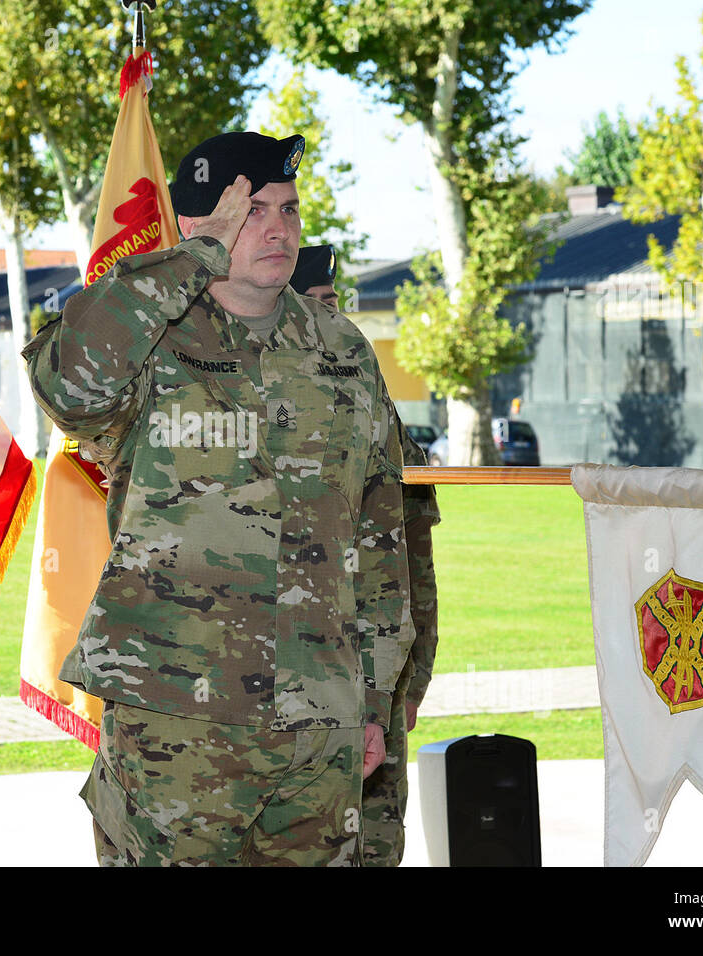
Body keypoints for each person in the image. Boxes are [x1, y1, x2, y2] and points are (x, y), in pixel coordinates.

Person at [23, 131, 413, 866]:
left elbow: (378, 536)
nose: (279, 227)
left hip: (317, 723)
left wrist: (373, 699)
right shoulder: (152, 341)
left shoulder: (342, 349)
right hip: (178, 723)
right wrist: (196, 259)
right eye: (252, 210)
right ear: (201, 225)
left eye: (290, 210)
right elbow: (65, 382)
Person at [289, 244, 442, 865]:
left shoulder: (369, 399)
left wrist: (416, 673)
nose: (335, 320)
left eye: (335, 304)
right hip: (285, 679)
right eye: (317, 305)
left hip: (374, 673)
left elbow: (415, 554)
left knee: (375, 843)